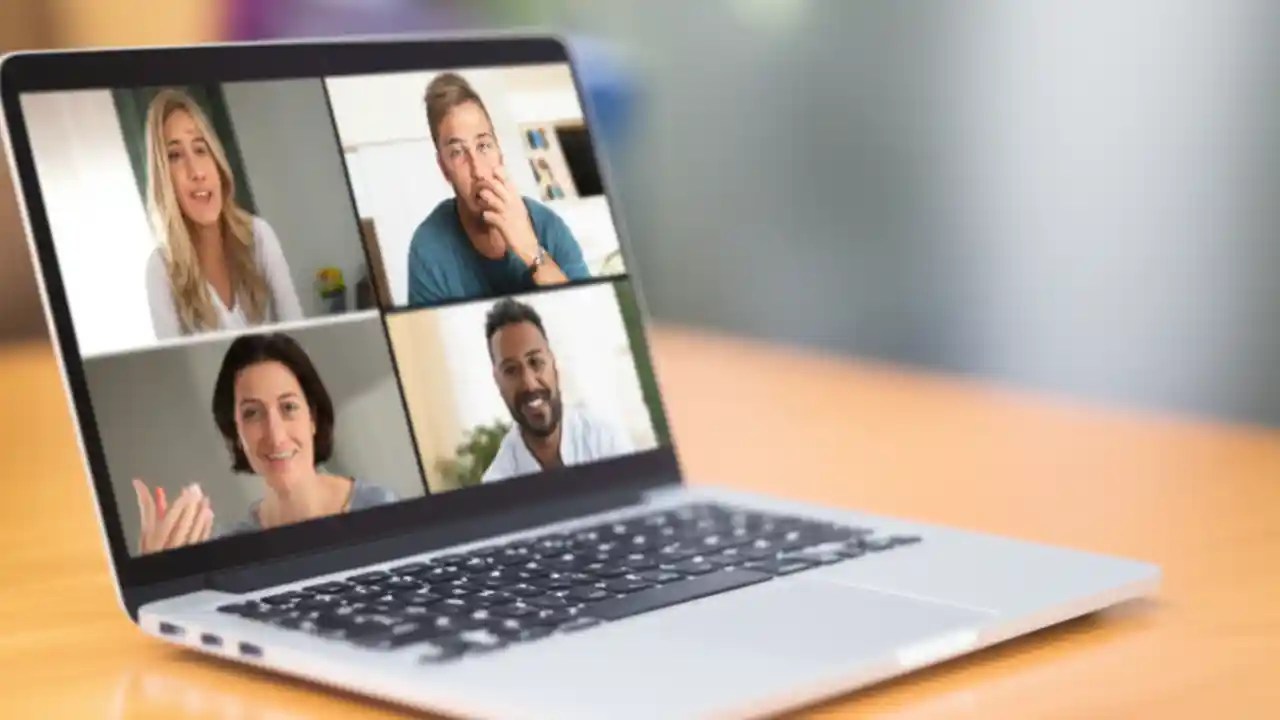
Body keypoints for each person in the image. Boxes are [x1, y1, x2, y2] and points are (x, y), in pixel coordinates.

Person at [130, 333, 398, 554]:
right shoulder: (229, 548)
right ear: (236, 433)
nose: (275, 435)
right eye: (252, 413)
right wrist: (158, 578)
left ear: (312, 418)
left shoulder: (381, 508)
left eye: (288, 407)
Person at [406, 73, 590, 307]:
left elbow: (584, 311)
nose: (479, 171)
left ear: (500, 153)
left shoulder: (549, 227)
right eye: (457, 153)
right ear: (444, 169)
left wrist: (530, 249)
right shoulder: (427, 250)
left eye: (483, 145)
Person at [143, 89, 304, 339]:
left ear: (216, 160)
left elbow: (301, 338)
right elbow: (177, 375)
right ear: (163, 179)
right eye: (175, 156)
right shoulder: (161, 271)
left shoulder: (258, 237)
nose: (196, 172)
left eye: (200, 149)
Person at [481, 298, 633, 484]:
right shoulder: (497, 483)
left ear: (554, 364)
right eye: (511, 370)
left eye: (535, 362)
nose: (529, 384)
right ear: (498, 382)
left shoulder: (604, 439)